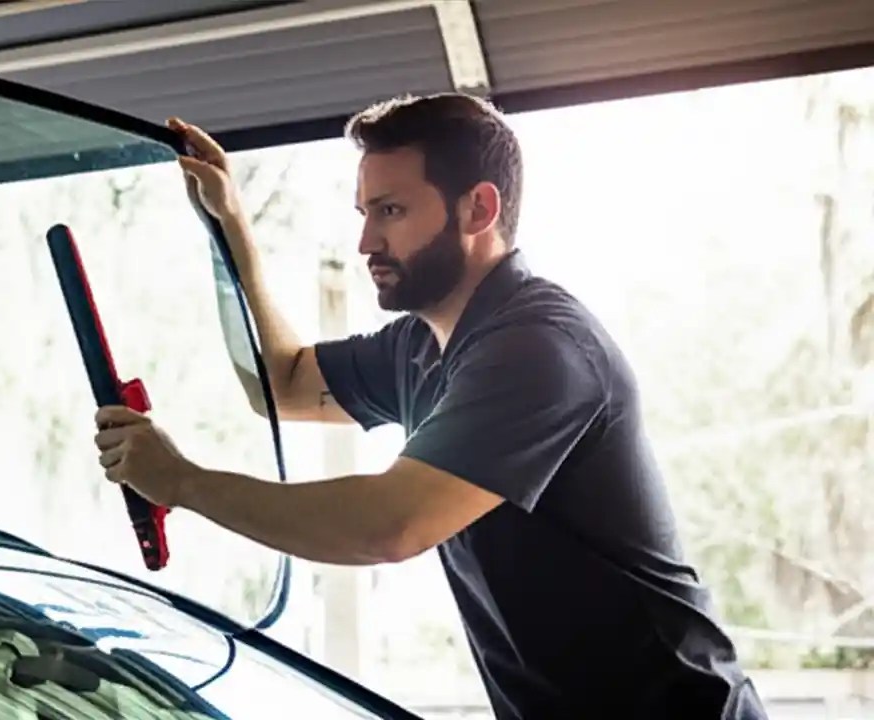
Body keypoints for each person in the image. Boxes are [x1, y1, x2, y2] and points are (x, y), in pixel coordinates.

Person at [91, 92, 766, 719]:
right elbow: (283, 382)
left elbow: (391, 526)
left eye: (391, 211)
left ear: (478, 209)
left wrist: (182, 483)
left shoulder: (539, 348)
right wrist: (229, 225)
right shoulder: (423, 345)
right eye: (364, 213)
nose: (365, 243)